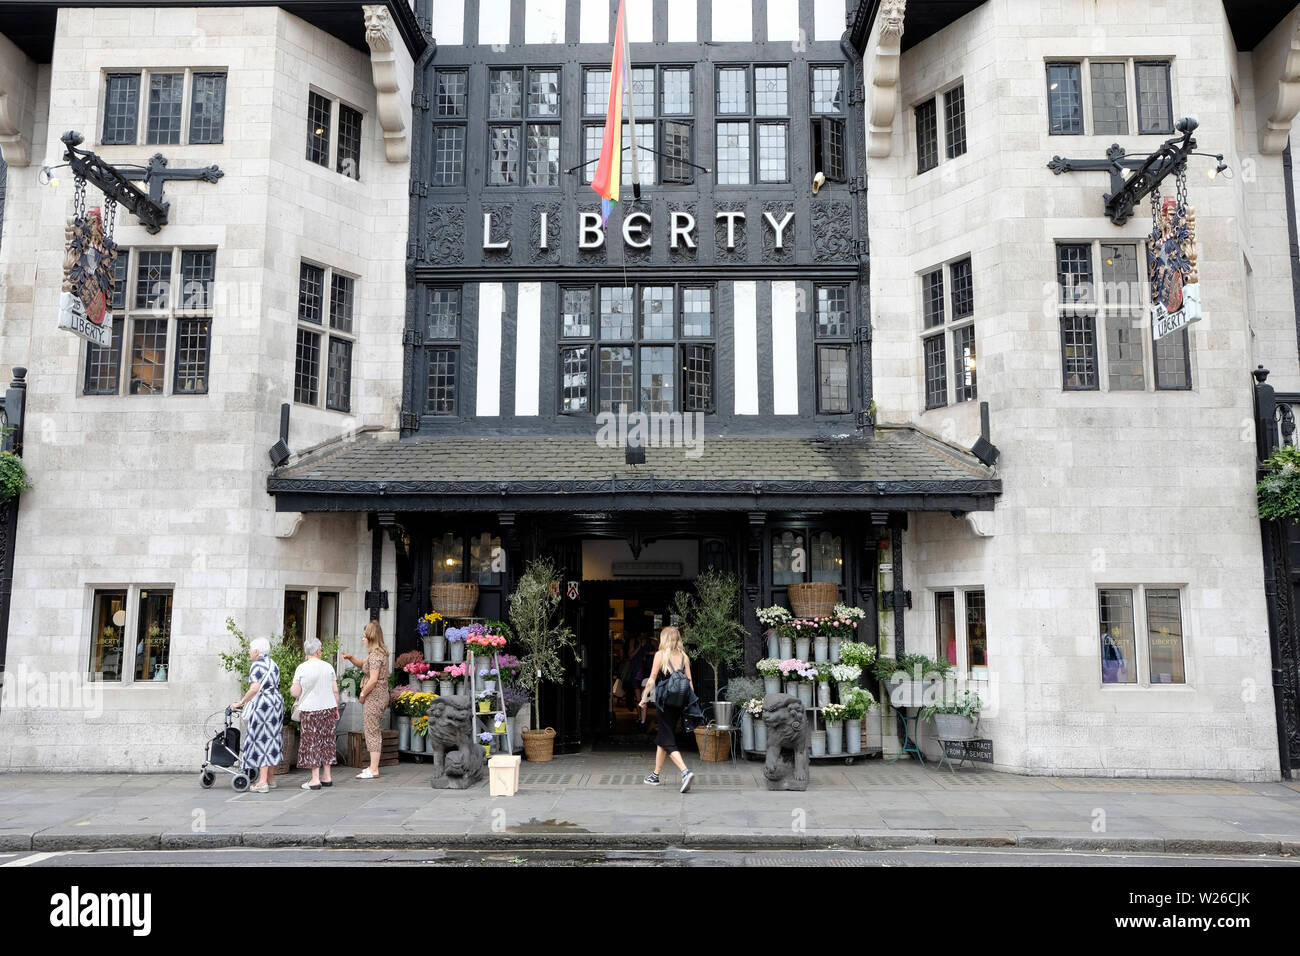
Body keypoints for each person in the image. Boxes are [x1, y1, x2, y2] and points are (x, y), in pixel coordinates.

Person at [639, 626, 696, 793]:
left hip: (664, 702)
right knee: (663, 736)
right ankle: (655, 775)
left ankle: (685, 772)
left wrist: (644, 698)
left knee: (667, 738)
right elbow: (690, 682)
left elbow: (651, 680)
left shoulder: (660, 655)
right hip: (679, 703)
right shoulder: (684, 657)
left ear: (664, 638)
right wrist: (690, 703)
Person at [232, 636, 282, 793]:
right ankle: (271, 778)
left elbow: (254, 688)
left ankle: (262, 782)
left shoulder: (257, 665)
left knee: (262, 739)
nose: (248, 652)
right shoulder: (273, 664)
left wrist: (241, 702)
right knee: (272, 737)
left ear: (256, 651)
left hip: (263, 705)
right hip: (276, 702)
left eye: (250, 649)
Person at [341, 620, 390, 779]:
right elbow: (364, 664)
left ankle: (374, 768)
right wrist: (351, 658)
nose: (362, 639)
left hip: (375, 697)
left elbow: (373, 679)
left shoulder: (376, 656)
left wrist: (362, 694)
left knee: (372, 731)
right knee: (372, 730)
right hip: (379, 696)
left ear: (370, 637)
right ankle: (371, 766)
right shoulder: (377, 654)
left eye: (364, 636)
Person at [290, 637, 340, 790]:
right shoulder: (328, 667)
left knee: (312, 742)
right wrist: (336, 708)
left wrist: (295, 691)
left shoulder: (302, 668)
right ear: (319, 651)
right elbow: (335, 690)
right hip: (328, 708)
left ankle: (315, 779)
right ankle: (327, 776)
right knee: (327, 741)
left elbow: (295, 692)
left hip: (310, 710)